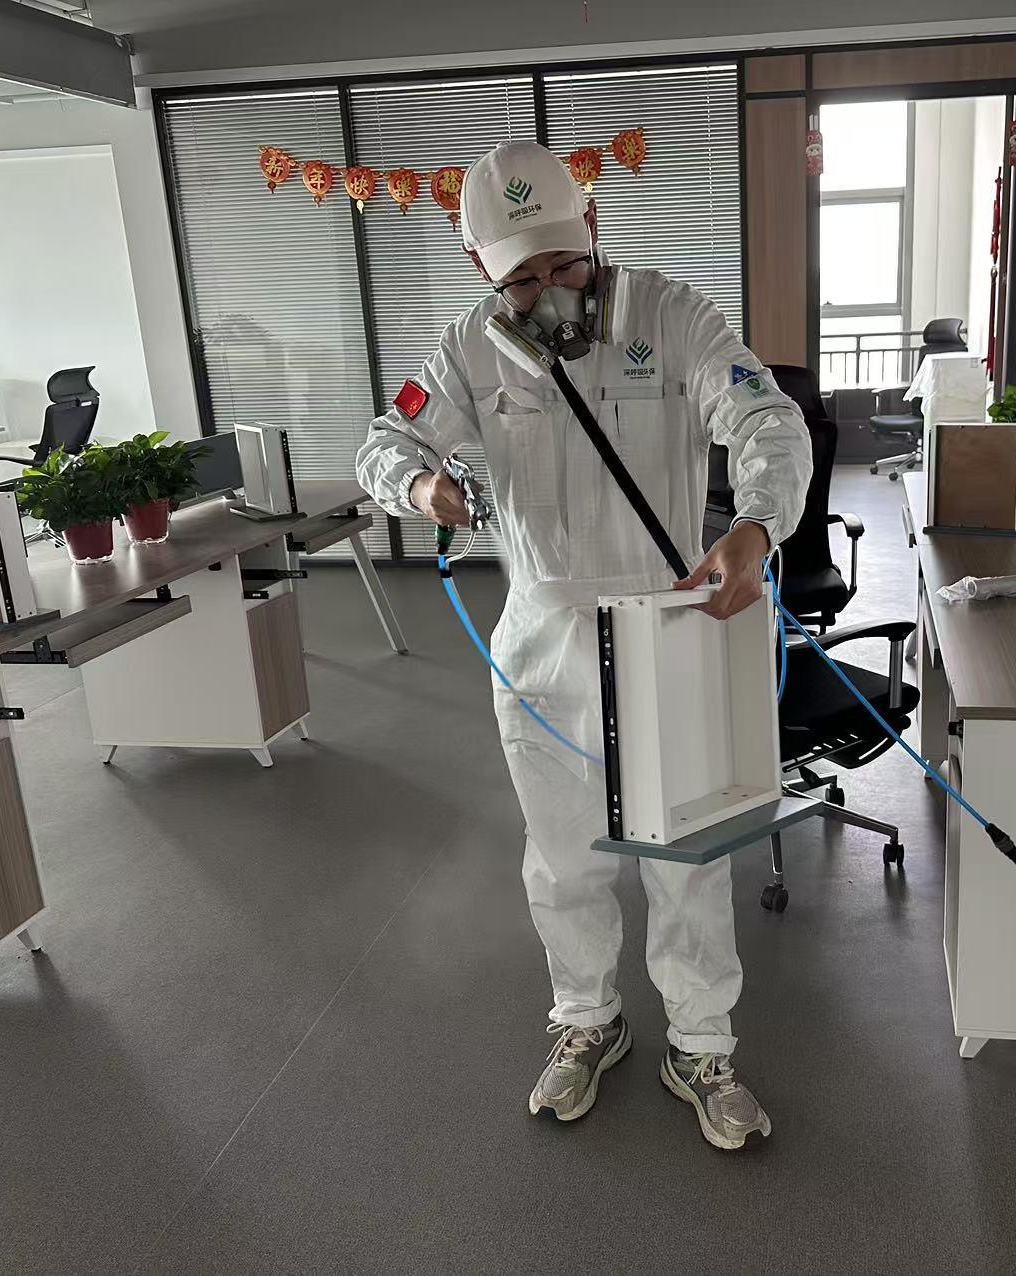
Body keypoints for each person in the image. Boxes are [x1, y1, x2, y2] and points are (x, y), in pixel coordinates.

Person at [357, 142, 812, 1150]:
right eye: (522, 277)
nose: (551, 291)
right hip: (544, 639)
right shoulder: (469, 349)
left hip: (668, 625)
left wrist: (756, 523)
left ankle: (701, 1044)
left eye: (565, 262)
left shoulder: (670, 314)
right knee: (562, 857)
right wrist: (424, 486)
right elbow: (384, 444)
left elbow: (766, 418)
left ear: (593, 225)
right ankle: (587, 1020)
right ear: (480, 267)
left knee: (684, 855)